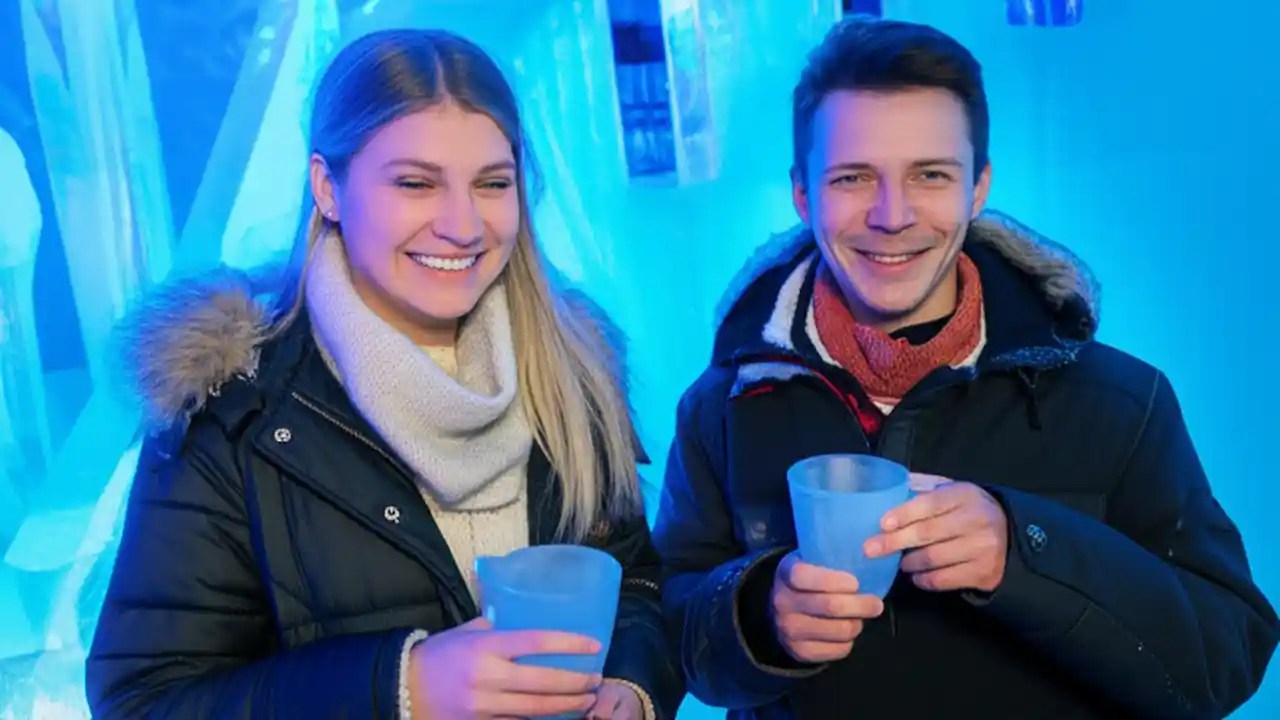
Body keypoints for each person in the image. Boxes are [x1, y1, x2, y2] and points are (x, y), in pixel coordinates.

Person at [654, 16, 1277, 719]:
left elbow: (1226, 656)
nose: (892, 215)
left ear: (978, 188)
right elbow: (673, 630)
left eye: (931, 175)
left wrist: (1028, 550)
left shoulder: (1123, 402)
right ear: (803, 194)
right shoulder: (722, 408)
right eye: (853, 177)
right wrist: (757, 616)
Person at [86, 29, 681, 720]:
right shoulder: (232, 411)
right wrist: (400, 689)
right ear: (327, 188)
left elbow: (634, 579)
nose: (464, 225)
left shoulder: (573, 372)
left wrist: (633, 687)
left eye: (492, 183)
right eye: (415, 183)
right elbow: (144, 702)